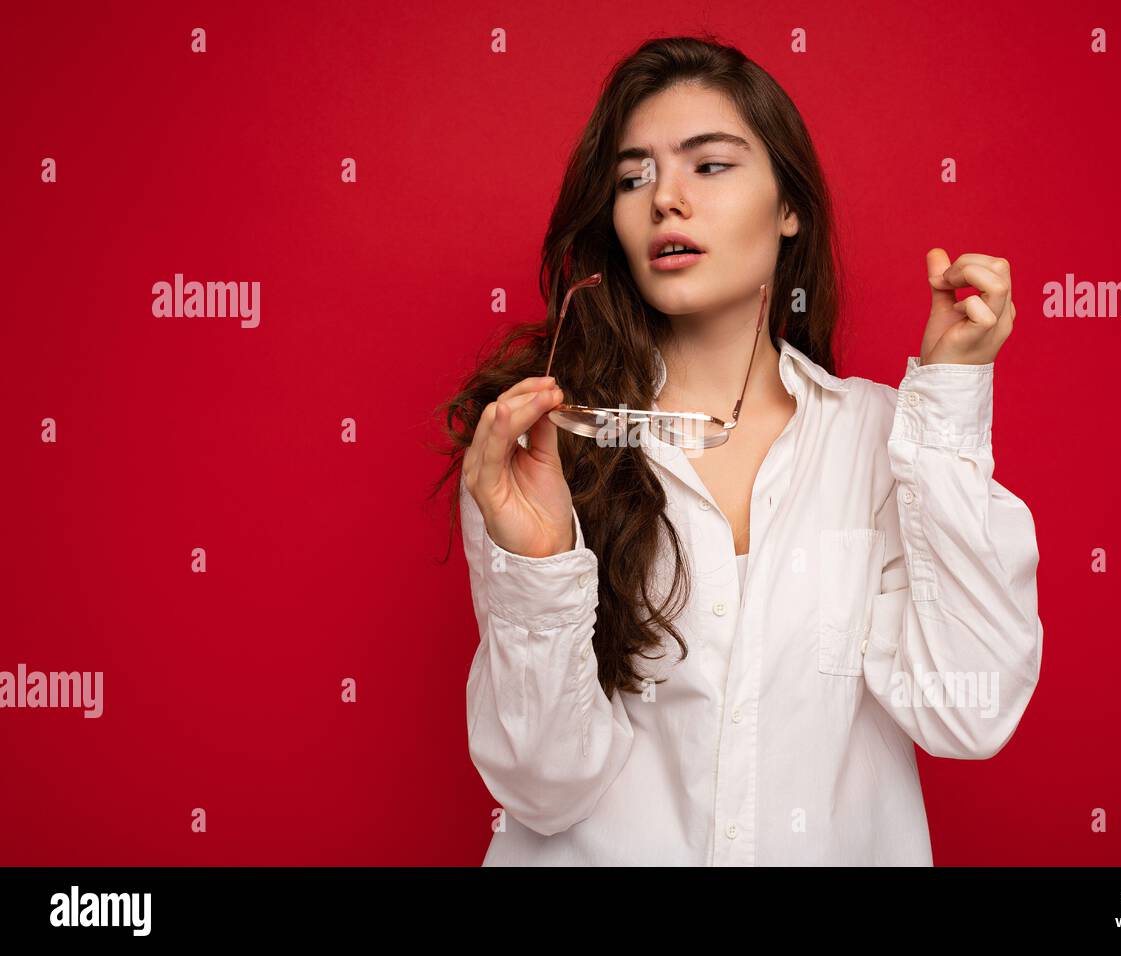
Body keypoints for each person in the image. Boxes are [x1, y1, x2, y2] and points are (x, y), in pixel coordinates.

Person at [430, 34, 1042, 866]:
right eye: (633, 176)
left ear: (789, 206)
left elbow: (968, 716)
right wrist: (539, 567)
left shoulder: (880, 441)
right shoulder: (546, 444)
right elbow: (542, 787)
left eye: (709, 166)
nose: (665, 201)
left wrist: (947, 410)